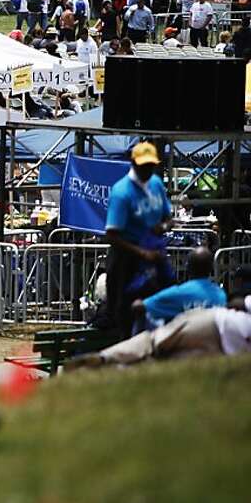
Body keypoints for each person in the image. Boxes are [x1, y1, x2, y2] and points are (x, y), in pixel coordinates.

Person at [105, 142, 174, 338]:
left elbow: (168, 217)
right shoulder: (122, 192)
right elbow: (111, 234)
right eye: (143, 165)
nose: (147, 170)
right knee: (124, 312)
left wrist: (163, 227)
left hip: (154, 255)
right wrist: (142, 252)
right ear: (133, 163)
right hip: (127, 260)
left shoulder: (156, 183)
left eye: (151, 166)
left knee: (158, 304)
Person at [71, 294, 251, 368]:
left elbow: (238, 303)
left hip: (220, 334)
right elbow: (240, 304)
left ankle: (106, 360)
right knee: (157, 350)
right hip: (217, 327)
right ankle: (105, 361)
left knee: (158, 351)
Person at [134, 247, 226, 330]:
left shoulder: (179, 293)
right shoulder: (221, 294)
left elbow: (141, 306)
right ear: (211, 269)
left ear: (188, 268)